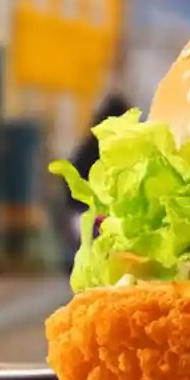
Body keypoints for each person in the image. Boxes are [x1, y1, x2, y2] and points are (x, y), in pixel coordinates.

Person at [61, 92, 133, 272]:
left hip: (88, 215)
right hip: (92, 215)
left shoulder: (87, 148)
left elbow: (70, 183)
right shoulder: (125, 149)